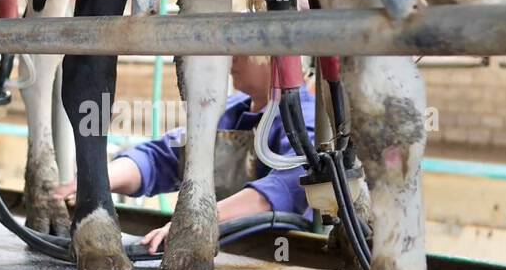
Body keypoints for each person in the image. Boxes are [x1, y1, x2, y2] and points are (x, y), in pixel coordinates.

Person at [55, 55, 316, 254]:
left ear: (281, 54)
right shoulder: (230, 110)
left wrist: (195, 220)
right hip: (224, 258)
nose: (232, 55)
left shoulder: (306, 117)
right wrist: (97, 184)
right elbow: (163, 158)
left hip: (278, 264)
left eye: (246, 46)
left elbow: (286, 189)